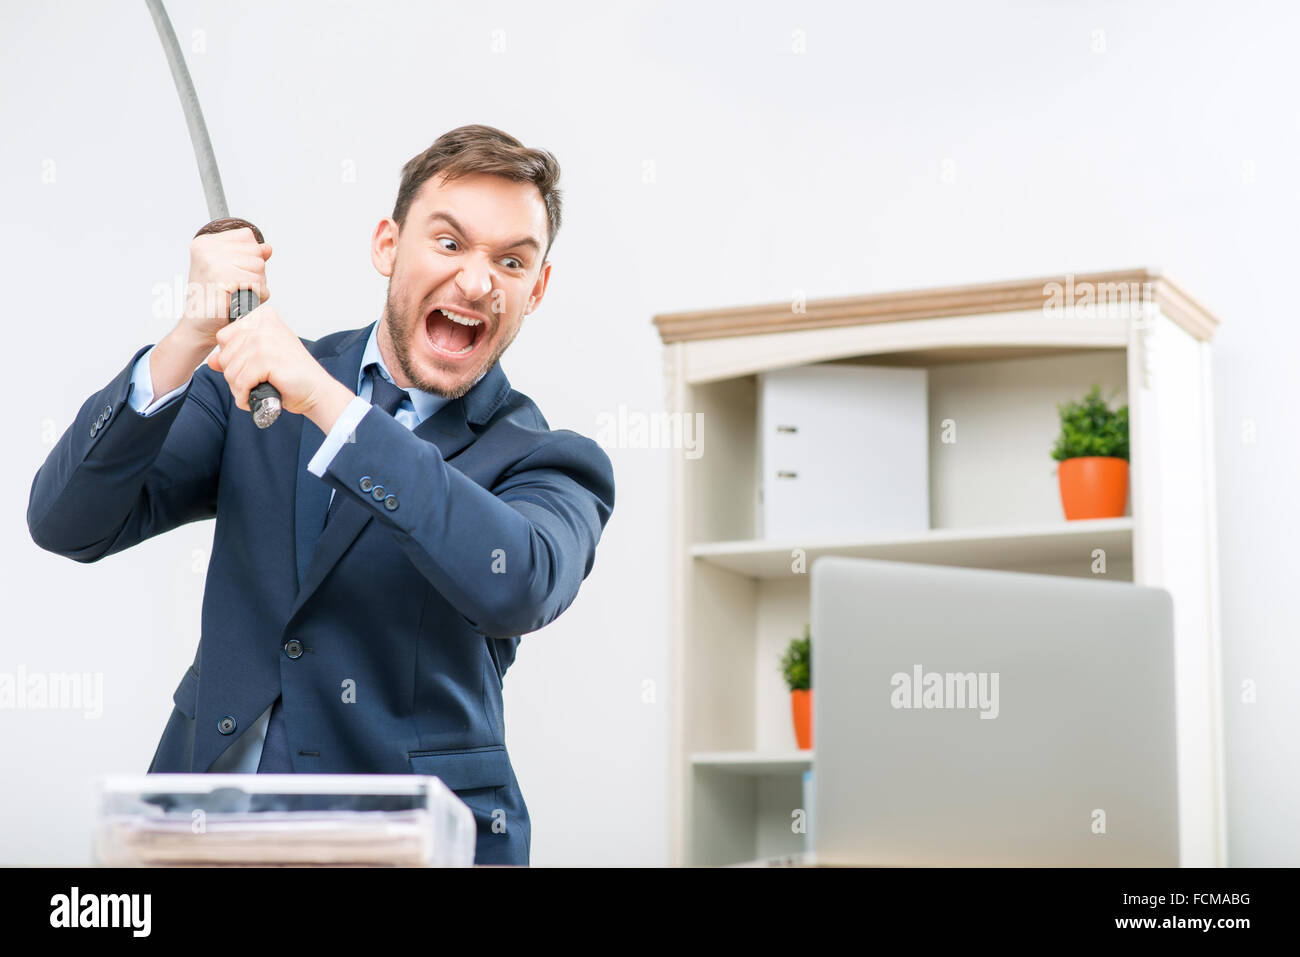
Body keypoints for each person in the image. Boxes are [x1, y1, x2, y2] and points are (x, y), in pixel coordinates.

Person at [26, 124, 616, 866]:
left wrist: (331, 407)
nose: (476, 282)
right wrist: (190, 333)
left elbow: (517, 583)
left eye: (511, 260)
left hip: (411, 846)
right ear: (386, 245)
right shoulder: (257, 381)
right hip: (201, 832)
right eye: (449, 243)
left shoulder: (550, 460)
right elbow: (65, 520)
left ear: (538, 287)